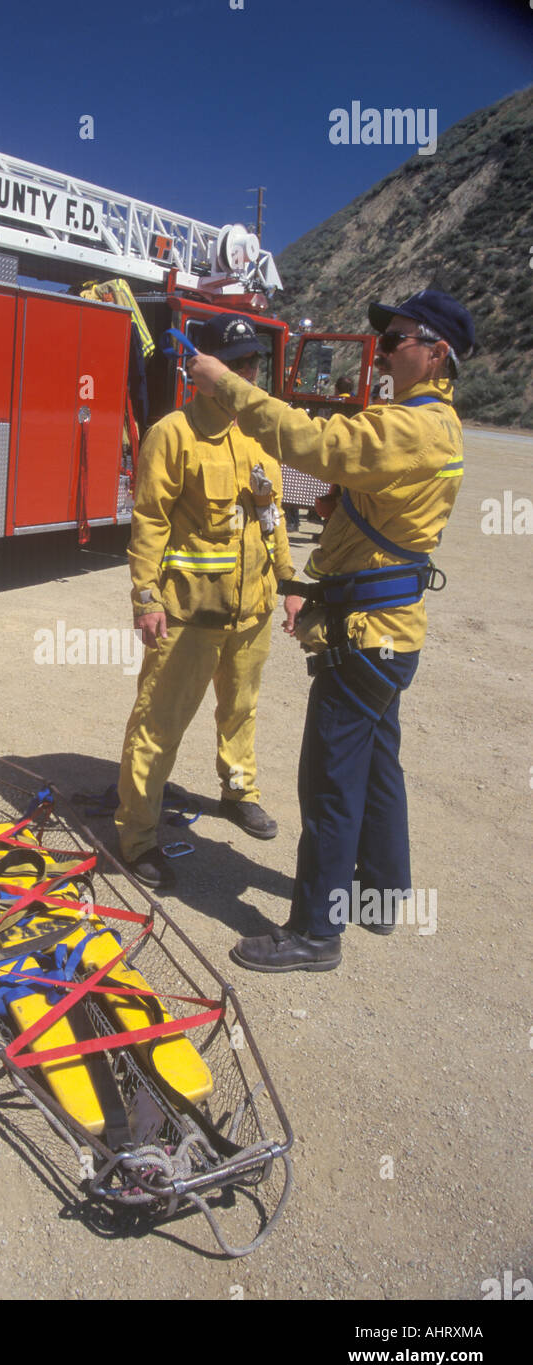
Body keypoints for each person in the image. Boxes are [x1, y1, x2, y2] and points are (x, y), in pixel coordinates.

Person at [187, 289, 473, 971]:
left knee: (330, 783)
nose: (384, 349)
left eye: (398, 339)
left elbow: (316, 444)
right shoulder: (423, 423)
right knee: (377, 768)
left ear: (436, 353)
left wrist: (225, 385)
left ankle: (316, 931)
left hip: (369, 635)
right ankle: (379, 895)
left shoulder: (419, 426)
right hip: (388, 632)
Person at [115, 315, 302, 889]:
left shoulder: (259, 432)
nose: (249, 373)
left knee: (241, 709)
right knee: (159, 723)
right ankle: (138, 837)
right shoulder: (171, 433)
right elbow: (149, 521)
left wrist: (290, 582)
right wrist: (146, 599)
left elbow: (274, 518)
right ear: (204, 369)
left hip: (254, 609)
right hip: (189, 613)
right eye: (238, 363)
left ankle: (238, 791)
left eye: (253, 364)